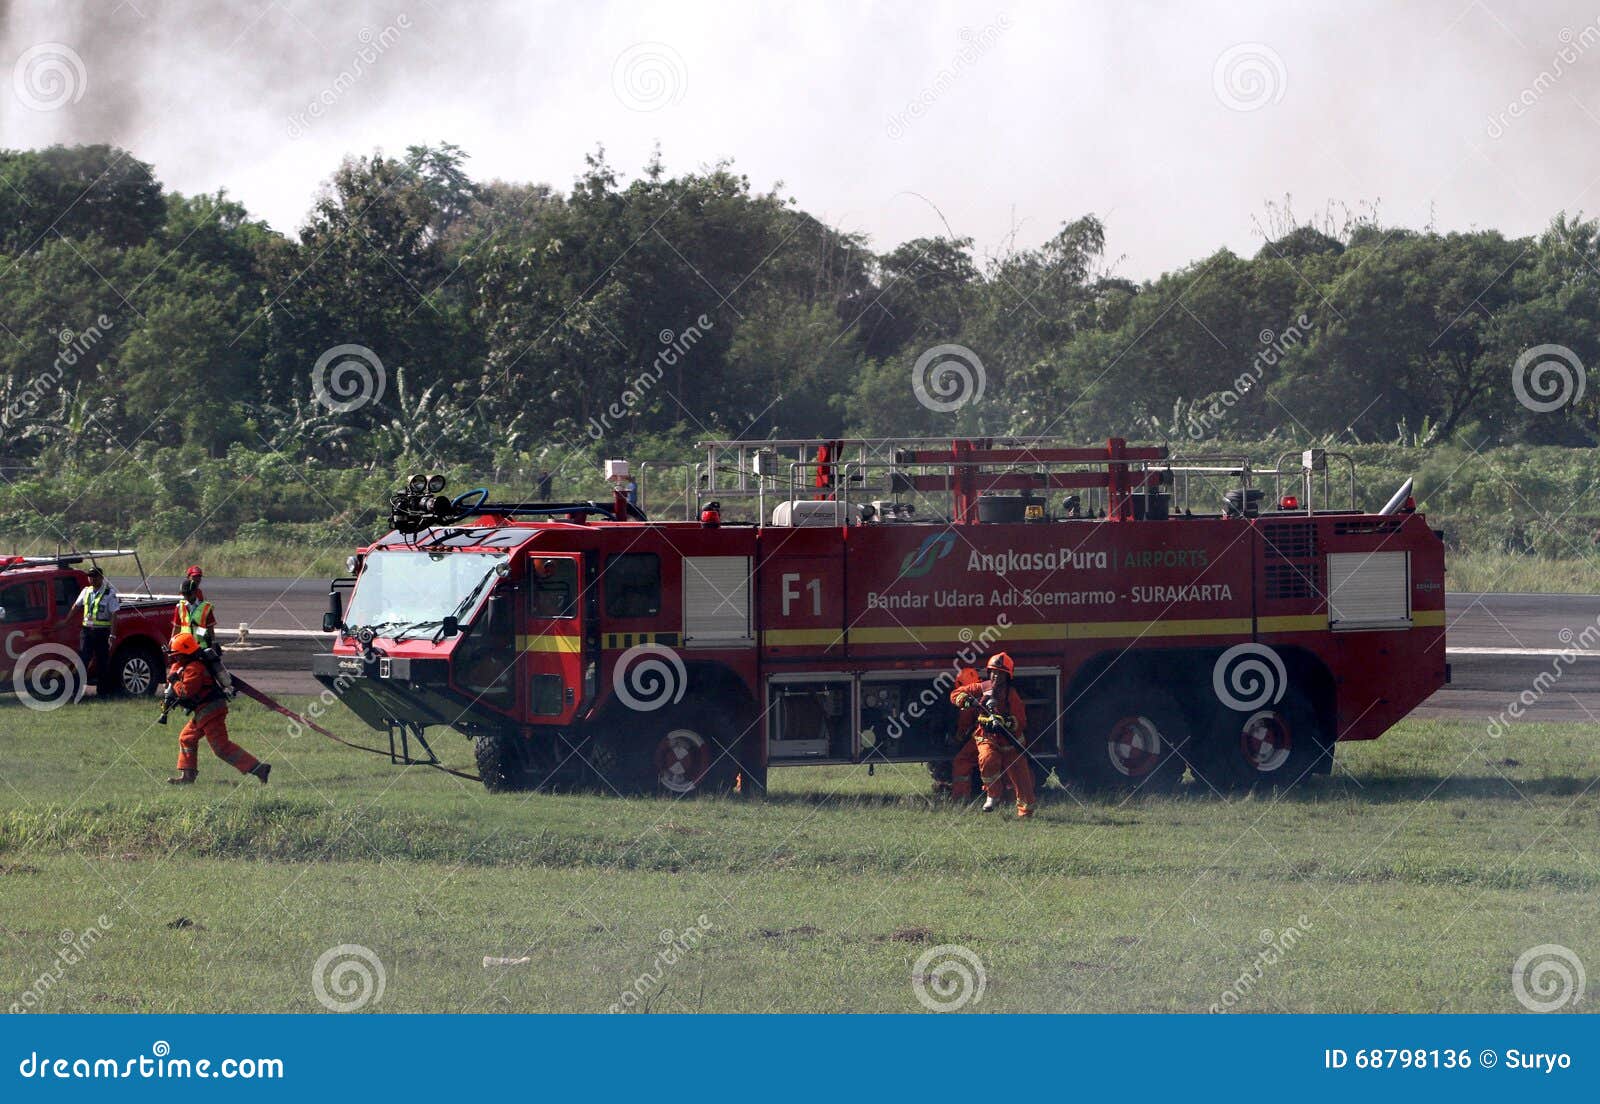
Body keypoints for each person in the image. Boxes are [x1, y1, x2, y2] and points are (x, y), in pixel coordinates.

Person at [164, 632, 269, 786]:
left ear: (185, 654)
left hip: (211, 711)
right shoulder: (190, 665)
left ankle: (259, 769)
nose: (175, 659)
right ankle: (187, 776)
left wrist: (175, 682)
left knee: (221, 748)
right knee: (187, 738)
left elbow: (185, 692)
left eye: (177, 655)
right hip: (204, 711)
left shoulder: (194, 668)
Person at [951, 652, 1035, 818]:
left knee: (1022, 778)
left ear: (1007, 676)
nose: (996, 676)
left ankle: (1025, 812)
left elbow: (1021, 721)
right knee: (988, 760)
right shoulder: (982, 688)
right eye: (993, 672)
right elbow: (956, 694)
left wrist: (1006, 723)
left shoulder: (1012, 696)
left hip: (1011, 742)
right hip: (986, 737)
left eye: (1000, 673)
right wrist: (968, 701)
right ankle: (993, 795)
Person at [69, 566, 118, 695]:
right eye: (90, 576)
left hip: (102, 632)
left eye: (94, 576)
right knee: (83, 660)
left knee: (102, 661)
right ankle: (75, 691)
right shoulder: (86, 591)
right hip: (87, 631)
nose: (91, 579)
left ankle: (103, 691)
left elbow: (114, 614)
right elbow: (76, 606)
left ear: (101, 577)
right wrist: (66, 621)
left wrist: (112, 634)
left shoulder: (109, 593)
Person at [172, 571, 217, 649]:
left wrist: (213, 643)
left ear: (195, 592)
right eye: (184, 594)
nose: (186, 597)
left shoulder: (205, 607)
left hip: (201, 647)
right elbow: (177, 628)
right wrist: (172, 641)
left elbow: (210, 628)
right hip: (184, 646)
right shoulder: (179, 607)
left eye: (189, 594)